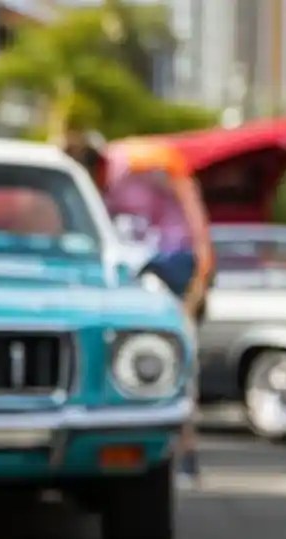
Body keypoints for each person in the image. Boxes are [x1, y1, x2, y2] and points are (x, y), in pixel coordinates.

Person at [102, 138, 215, 485]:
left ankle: (184, 451)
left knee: (178, 360)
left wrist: (201, 269)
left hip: (170, 265)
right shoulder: (116, 175)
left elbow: (187, 198)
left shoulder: (137, 162)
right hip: (144, 268)